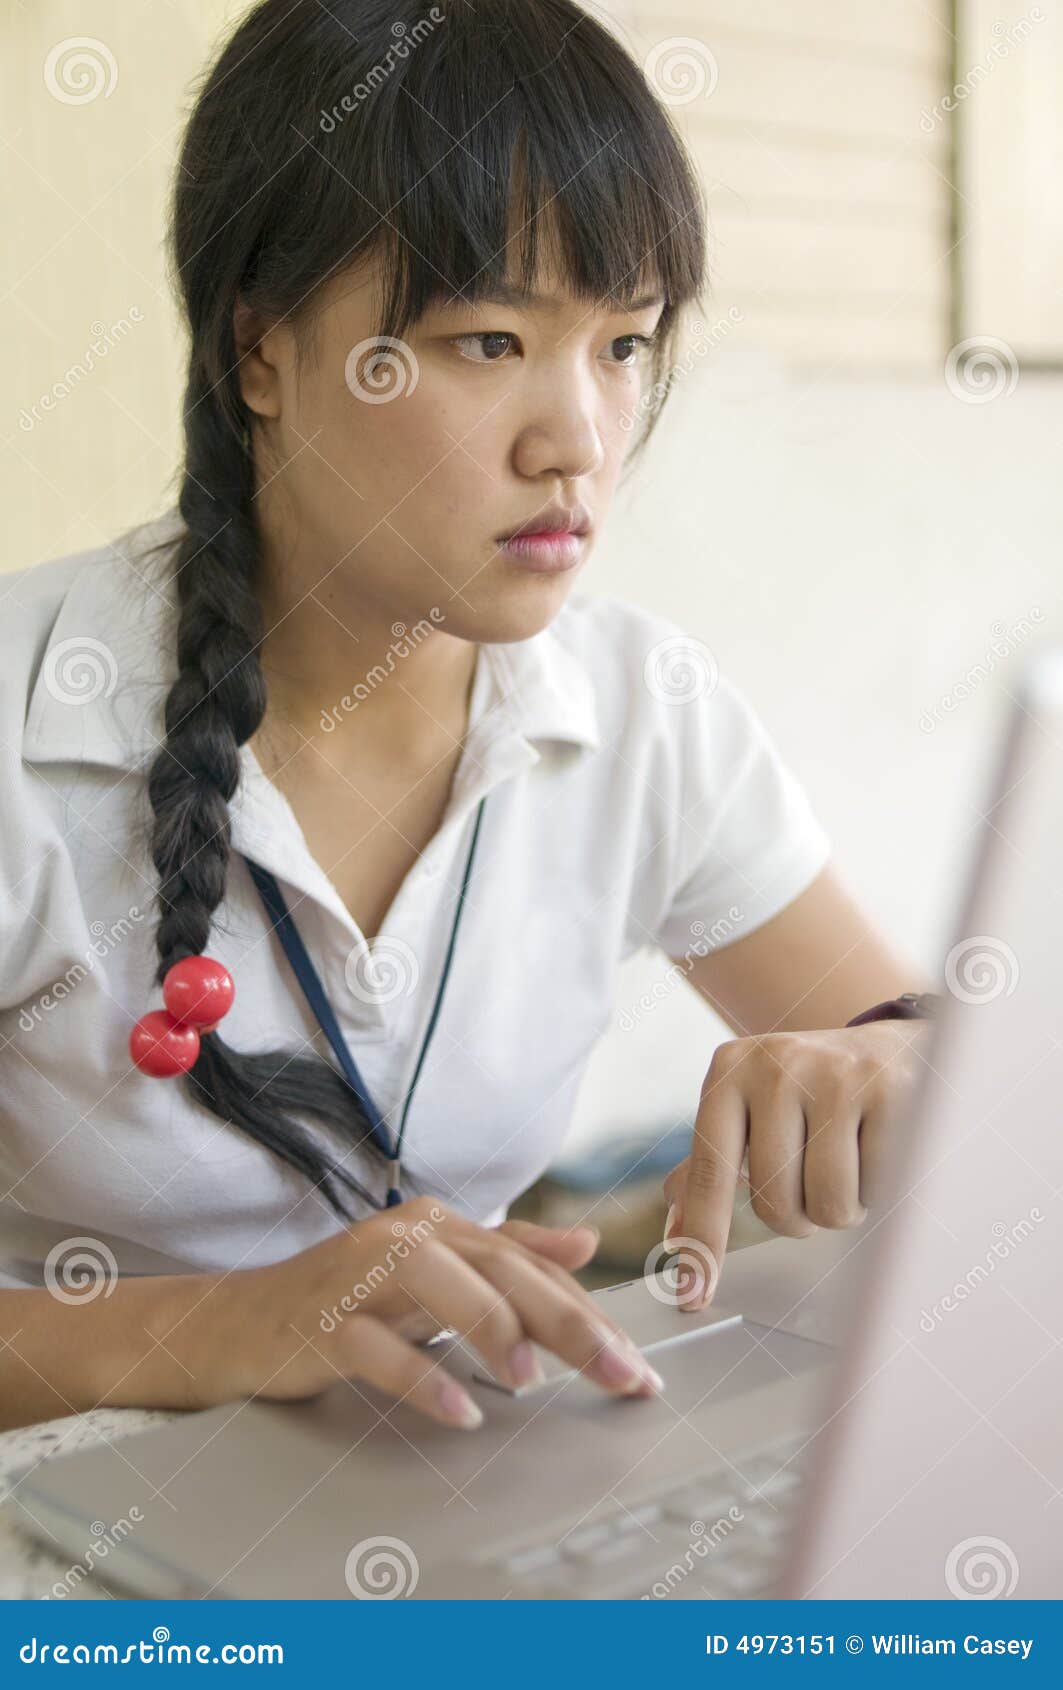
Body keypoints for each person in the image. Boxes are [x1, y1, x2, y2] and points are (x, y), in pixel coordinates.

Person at [0, 0, 933, 1436]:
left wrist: (890, 1064)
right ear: (259, 351)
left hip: (457, 1490)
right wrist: (237, 1323)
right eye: (489, 340)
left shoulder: (639, 706)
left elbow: (944, 1062)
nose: (577, 440)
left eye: (624, 345)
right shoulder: (25, 710)